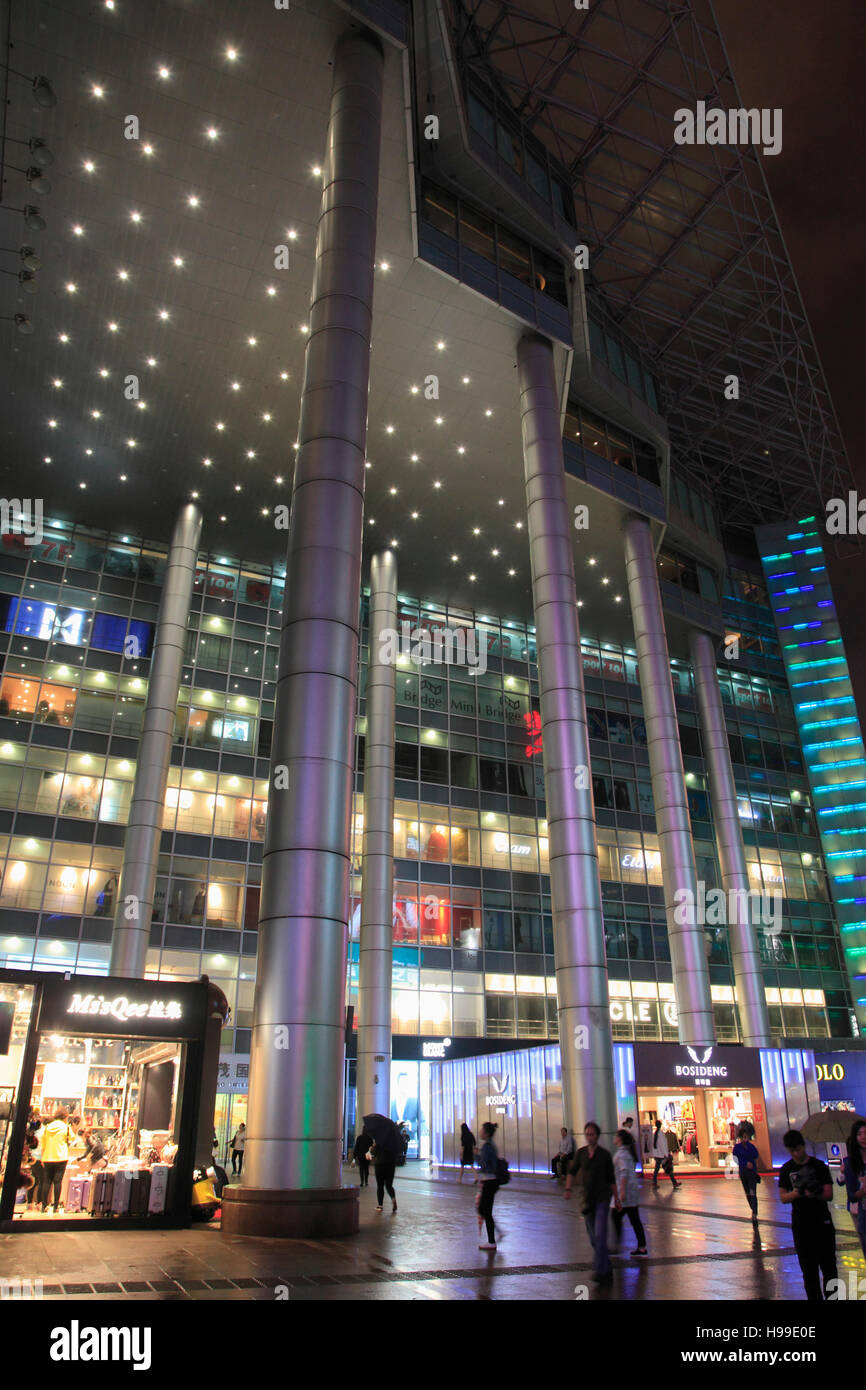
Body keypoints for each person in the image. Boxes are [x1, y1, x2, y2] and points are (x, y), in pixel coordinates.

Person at [778, 1129, 837, 1301]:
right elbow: (783, 1197)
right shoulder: (786, 1169)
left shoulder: (819, 1166)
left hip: (822, 1222)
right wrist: (797, 1193)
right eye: (793, 1150)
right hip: (801, 1225)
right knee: (809, 1271)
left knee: (829, 1269)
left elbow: (829, 1194)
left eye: (799, 1149)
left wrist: (816, 1193)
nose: (797, 1153)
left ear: (804, 1146)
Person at [565, 1122, 616, 1284]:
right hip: (587, 1200)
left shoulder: (605, 1155)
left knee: (600, 1234)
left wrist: (618, 1198)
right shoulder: (581, 1153)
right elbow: (572, 1171)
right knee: (594, 1238)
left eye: (592, 1134)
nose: (589, 1137)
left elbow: (611, 1178)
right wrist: (568, 1188)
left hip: (602, 1198)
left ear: (597, 1136)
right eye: (587, 1134)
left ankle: (600, 1271)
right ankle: (607, 1268)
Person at [613, 1128, 648, 1257]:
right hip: (630, 1193)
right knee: (634, 1219)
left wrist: (621, 1192)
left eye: (616, 1136)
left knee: (616, 1216)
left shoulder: (622, 1154)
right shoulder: (628, 1153)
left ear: (620, 1139)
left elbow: (624, 1173)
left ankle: (616, 1245)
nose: (614, 1138)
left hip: (626, 1193)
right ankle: (642, 1246)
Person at [39, 1107, 74, 1213]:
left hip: (48, 1157)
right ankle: (55, 1207)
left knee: (47, 1181)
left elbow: (43, 1143)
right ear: (65, 1117)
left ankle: (44, 1206)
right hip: (61, 1157)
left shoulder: (48, 1127)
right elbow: (71, 1139)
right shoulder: (66, 1127)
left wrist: (42, 1156)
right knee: (58, 1182)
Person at [475, 1121, 502, 1250]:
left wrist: (476, 1156)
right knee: (484, 1210)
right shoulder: (491, 1145)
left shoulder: (486, 1146)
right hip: (492, 1181)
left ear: (486, 1133)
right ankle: (494, 1237)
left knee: (485, 1210)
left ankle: (492, 1241)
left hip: (489, 1181)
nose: (480, 1132)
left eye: (481, 1130)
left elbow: (484, 1165)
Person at [842, 1119, 866, 1259]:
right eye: (860, 1134)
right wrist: (863, 1191)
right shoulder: (851, 1164)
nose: (864, 1137)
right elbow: (851, 1195)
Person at [732, 1123, 761, 1224]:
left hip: (752, 1173)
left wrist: (753, 1165)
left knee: (753, 1191)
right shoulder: (737, 1148)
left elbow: (756, 1155)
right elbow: (736, 1159)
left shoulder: (751, 1147)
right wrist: (745, 1163)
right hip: (743, 1172)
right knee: (748, 1192)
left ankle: (754, 1213)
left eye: (747, 1137)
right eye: (743, 1137)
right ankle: (752, 1208)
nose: (745, 1139)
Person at [371, 1131, 399, 1214]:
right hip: (391, 1165)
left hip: (380, 1165)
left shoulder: (379, 1140)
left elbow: (374, 1152)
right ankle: (393, 1199)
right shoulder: (393, 1142)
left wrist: (373, 1146)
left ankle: (380, 1205)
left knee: (380, 1185)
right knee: (389, 1185)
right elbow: (396, 1153)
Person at [651, 1119, 681, 1189]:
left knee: (657, 1169)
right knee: (668, 1168)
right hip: (662, 1155)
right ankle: (674, 1183)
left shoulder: (655, 1134)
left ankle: (654, 1182)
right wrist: (666, 1154)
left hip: (658, 1155)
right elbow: (663, 1145)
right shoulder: (660, 1134)